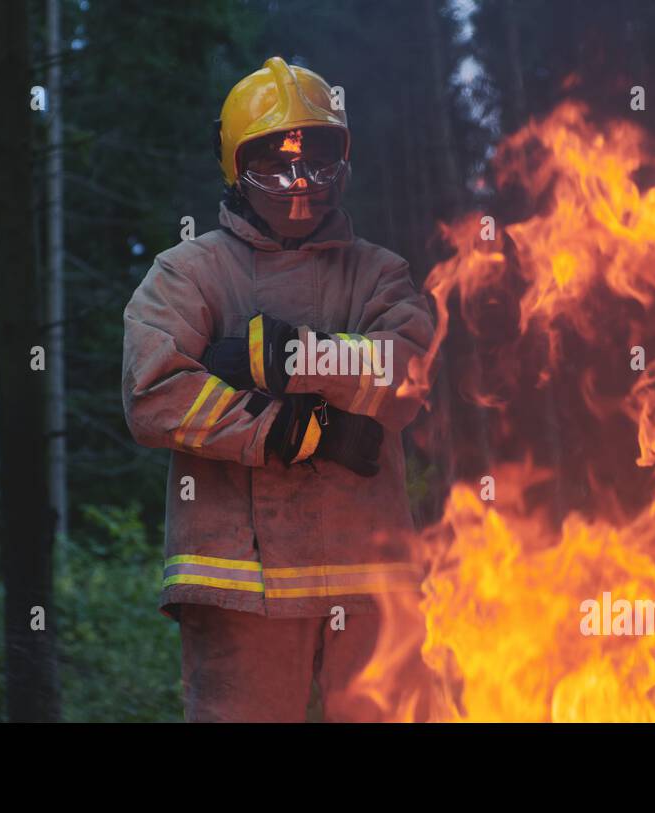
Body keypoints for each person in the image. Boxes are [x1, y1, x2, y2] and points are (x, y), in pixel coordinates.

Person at [121, 56, 435, 722]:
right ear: (236, 168)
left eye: (321, 165)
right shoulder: (186, 275)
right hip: (237, 585)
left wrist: (285, 358)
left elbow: (407, 375)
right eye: (277, 167)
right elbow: (152, 394)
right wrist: (289, 430)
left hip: (369, 584)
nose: (302, 185)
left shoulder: (381, 274)